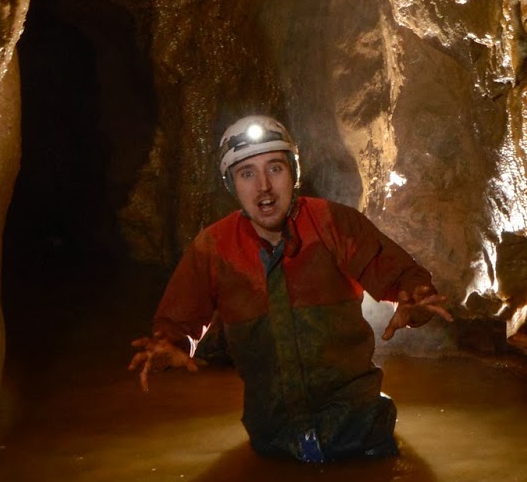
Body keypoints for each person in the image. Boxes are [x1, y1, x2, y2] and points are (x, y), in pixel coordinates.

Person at [129, 114, 451, 461]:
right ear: (231, 184)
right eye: (247, 173)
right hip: (274, 440)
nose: (264, 186)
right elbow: (178, 325)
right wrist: (168, 347)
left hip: (359, 433)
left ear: (294, 174)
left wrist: (415, 304)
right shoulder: (214, 248)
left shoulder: (332, 222)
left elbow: (403, 282)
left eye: (275, 168)